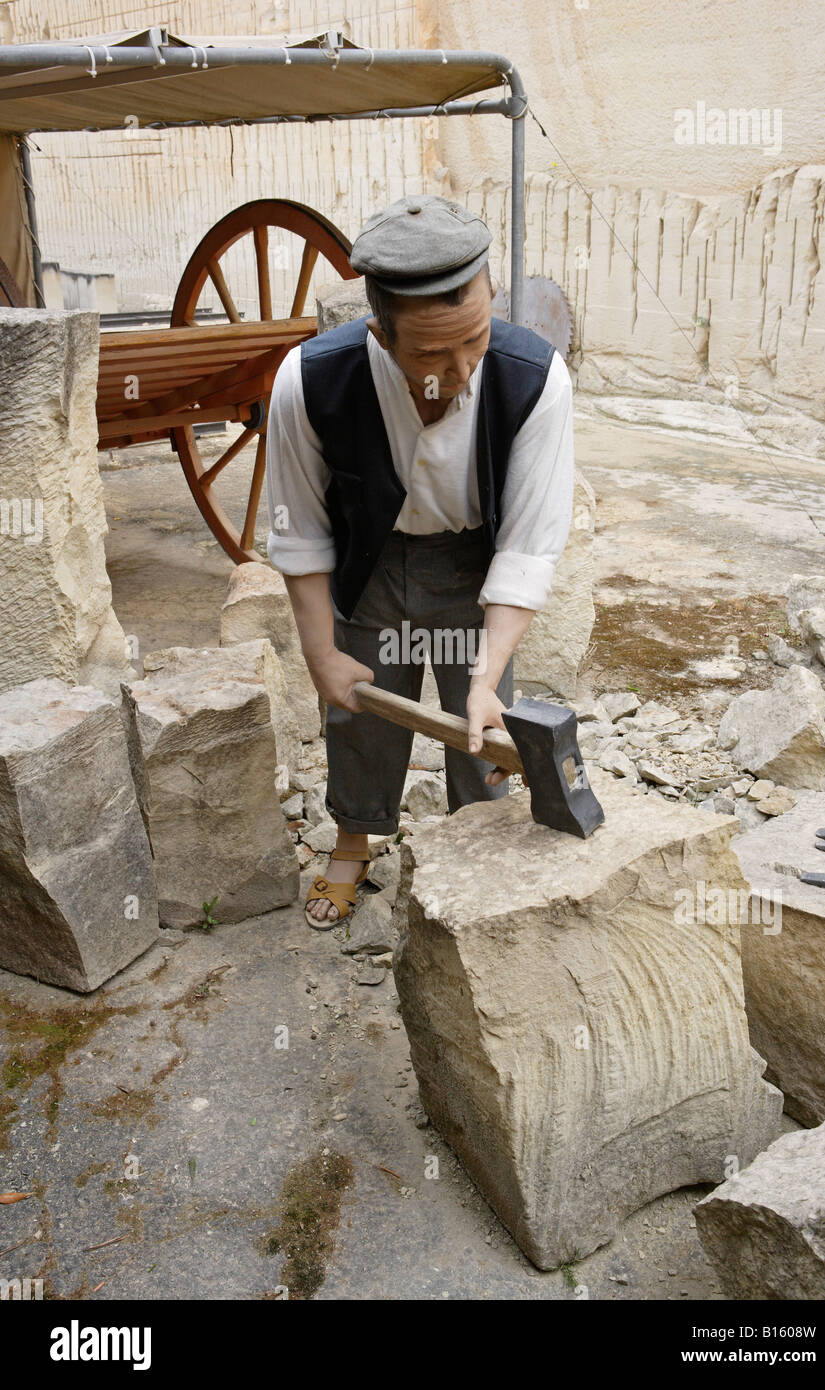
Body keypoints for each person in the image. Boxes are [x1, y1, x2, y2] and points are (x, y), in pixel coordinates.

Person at [265, 194, 574, 928]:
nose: (461, 368)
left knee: (482, 725)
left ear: (492, 297)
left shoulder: (534, 381)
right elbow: (301, 532)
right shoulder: (309, 381)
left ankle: (483, 849)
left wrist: (489, 674)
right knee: (360, 712)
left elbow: (528, 546)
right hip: (368, 559)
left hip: (476, 566)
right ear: (379, 330)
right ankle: (352, 840)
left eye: (474, 339)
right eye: (431, 354)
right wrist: (319, 654)